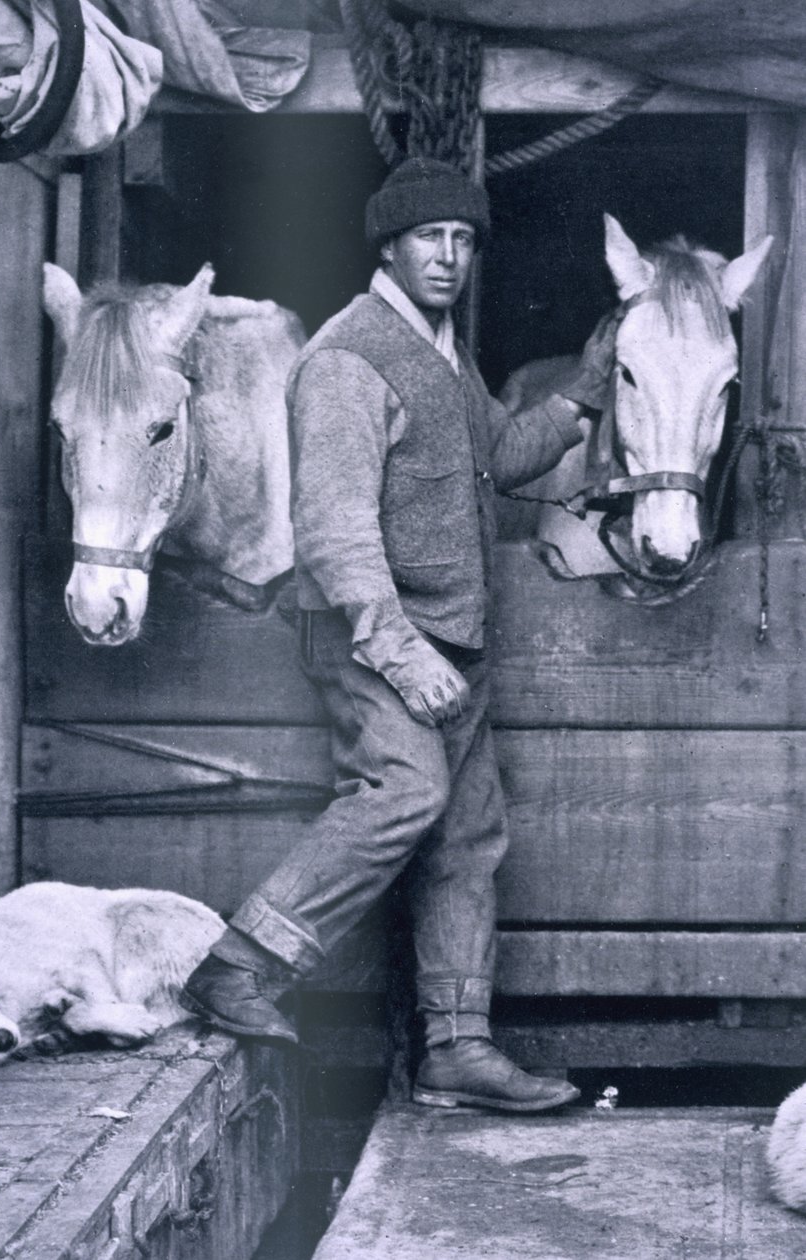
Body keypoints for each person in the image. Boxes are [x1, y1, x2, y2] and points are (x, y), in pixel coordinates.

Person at [181, 157, 614, 1113]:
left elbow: (500, 453)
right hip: (379, 639)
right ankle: (238, 964)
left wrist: (581, 394)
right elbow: (334, 530)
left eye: (463, 239)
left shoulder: (443, 352)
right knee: (405, 790)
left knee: (468, 833)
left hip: (452, 636)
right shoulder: (350, 357)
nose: (449, 256)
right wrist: (401, 651)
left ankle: (456, 1048)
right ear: (389, 246)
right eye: (429, 238)